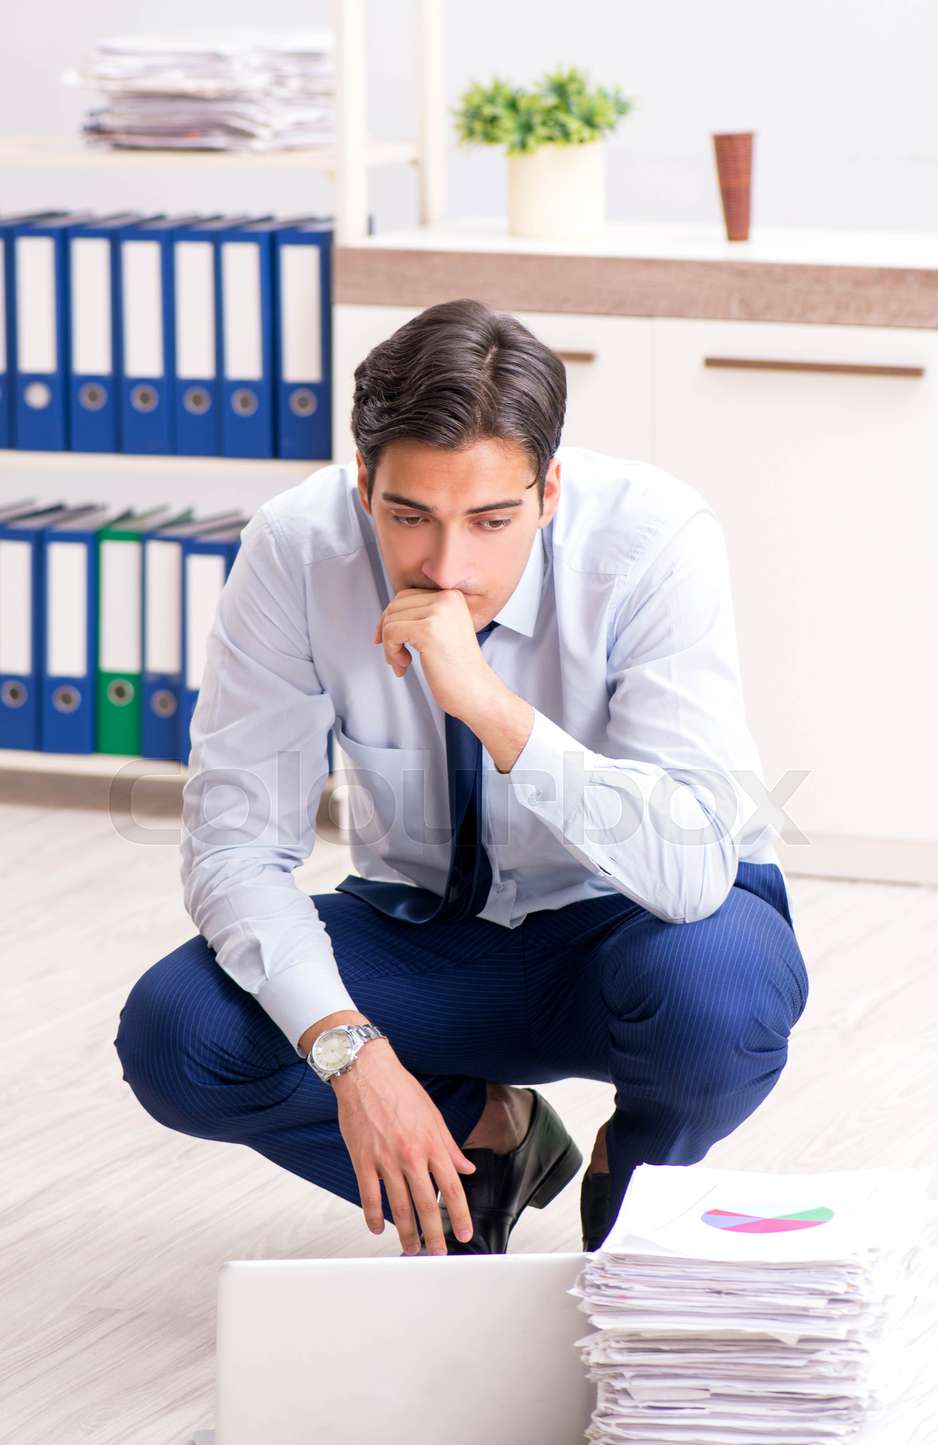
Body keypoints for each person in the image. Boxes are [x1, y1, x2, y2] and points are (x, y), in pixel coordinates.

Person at [113, 297, 809, 1260]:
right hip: (428, 936)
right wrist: (353, 1058)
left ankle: (632, 1182)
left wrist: (487, 702)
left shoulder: (652, 539)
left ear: (549, 490)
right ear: (364, 484)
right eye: (409, 517)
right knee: (179, 1034)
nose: (448, 564)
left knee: (720, 994)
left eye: (492, 519)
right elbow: (236, 846)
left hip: (631, 924)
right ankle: (483, 1147)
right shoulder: (294, 549)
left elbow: (692, 869)